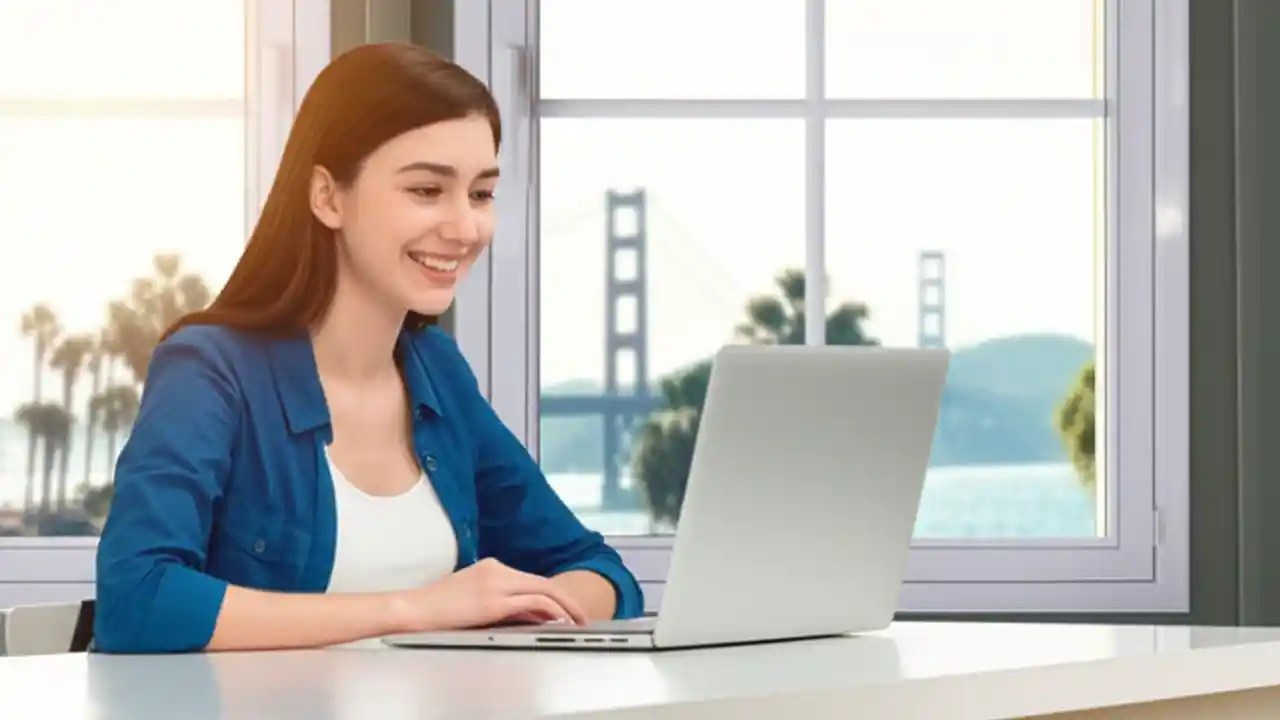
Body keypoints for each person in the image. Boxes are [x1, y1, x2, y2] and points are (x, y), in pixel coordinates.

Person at [92, 43, 643, 654]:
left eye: (481, 194)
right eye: (427, 190)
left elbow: (601, 572)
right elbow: (137, 600)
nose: (464, 228)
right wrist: (419, 611)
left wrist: (529, 614)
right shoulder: (210, 371)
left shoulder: (438, 374)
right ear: (328, 197)